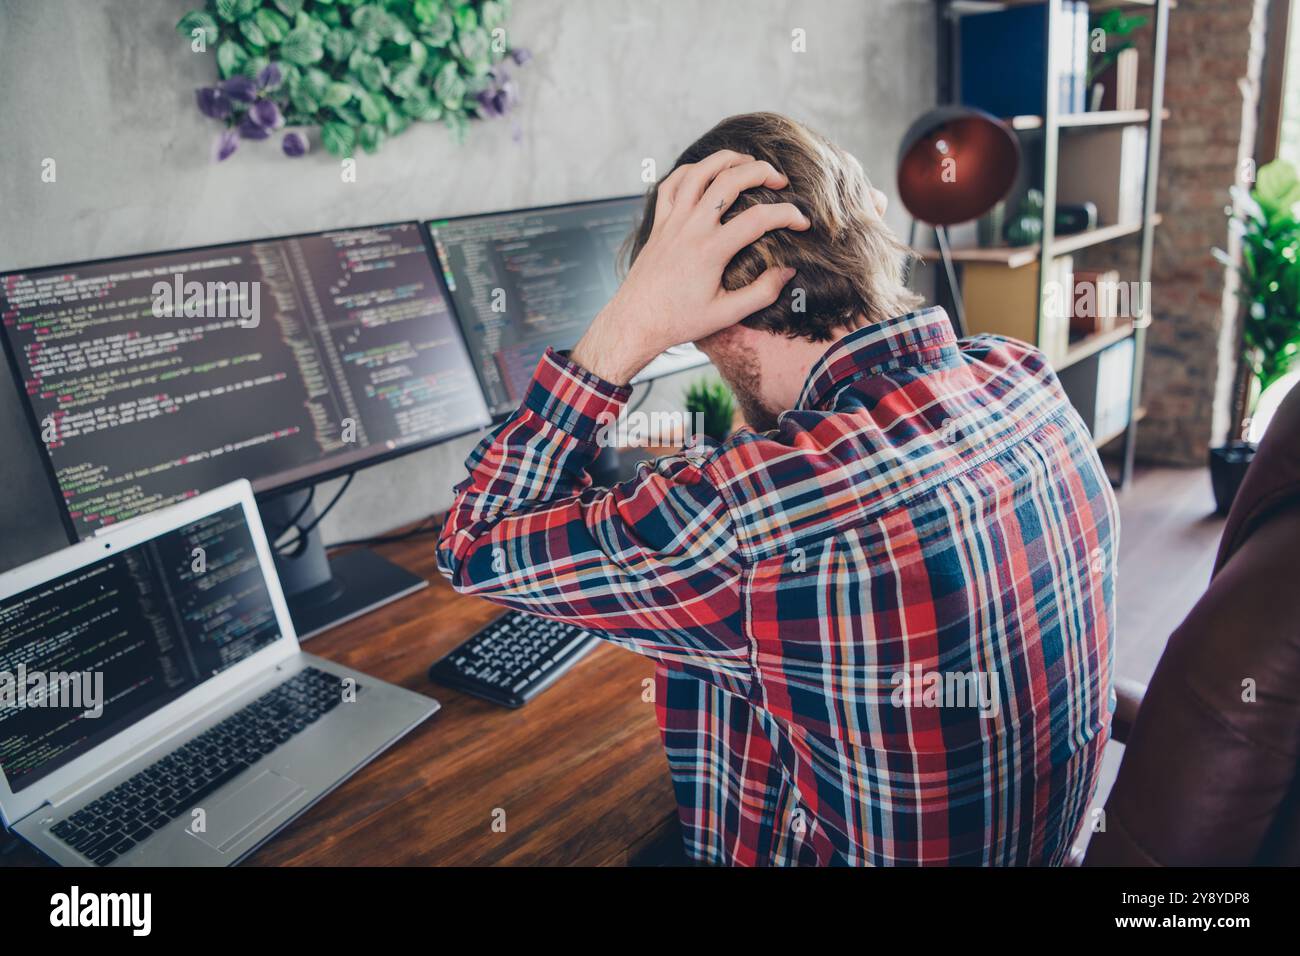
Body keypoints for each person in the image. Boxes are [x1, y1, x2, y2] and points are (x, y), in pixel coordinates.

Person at [437, 112, 1118, 866]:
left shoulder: (753, 514)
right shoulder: (1023, 377)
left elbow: (474, 538)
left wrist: (629, 325)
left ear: (710, 309)